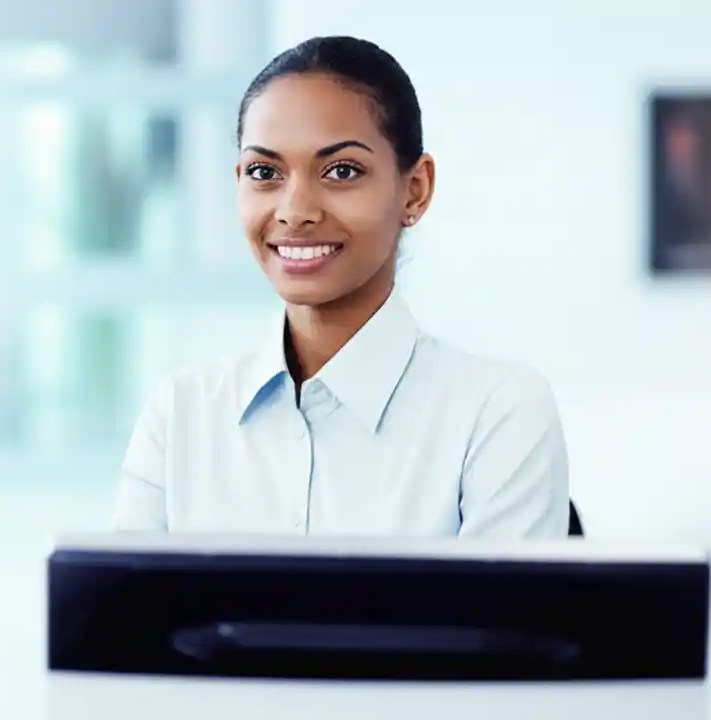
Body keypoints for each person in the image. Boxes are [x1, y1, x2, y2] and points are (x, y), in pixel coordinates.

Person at [112, 36, 569, 538]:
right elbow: (126, 615)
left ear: (414, 190)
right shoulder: (181, 415)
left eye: (341, 171)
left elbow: (495, 619)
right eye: (265, 172)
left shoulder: (497, 414)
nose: (295, 209)